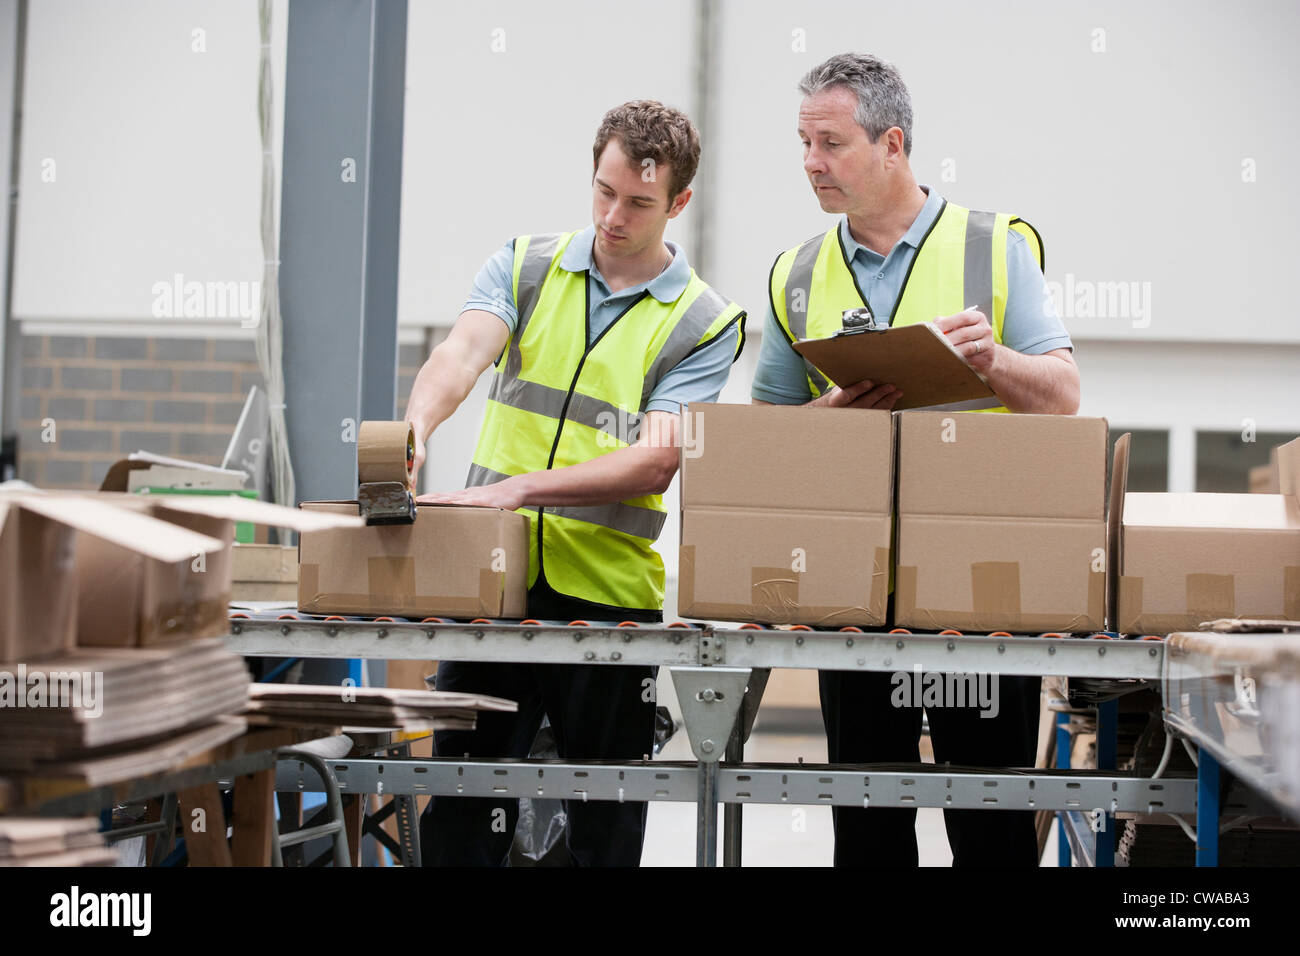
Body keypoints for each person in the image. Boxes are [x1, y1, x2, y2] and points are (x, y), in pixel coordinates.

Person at [753, 53, 1079, 866]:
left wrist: (994, 361)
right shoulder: (796, 276)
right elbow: (762, 442)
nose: (810, 163)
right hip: (855, 596)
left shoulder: (996, 247)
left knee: (990, 825)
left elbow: (1065, 396)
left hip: (981, 592)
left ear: (891, 142)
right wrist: (826, 417)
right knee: (867, 828)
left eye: (829, 143)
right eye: (802, 143)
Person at [405, 100, 746, 866]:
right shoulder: (526, 266)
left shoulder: (703, 322)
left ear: (679, 202)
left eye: (638, 202)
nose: (612, 215)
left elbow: (656, 459)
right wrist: (417, 427)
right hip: (494, 590)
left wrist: (516, 490)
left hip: (608, 606)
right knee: (462, 812)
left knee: (604, 828)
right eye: (603, 190)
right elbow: (461, 355)